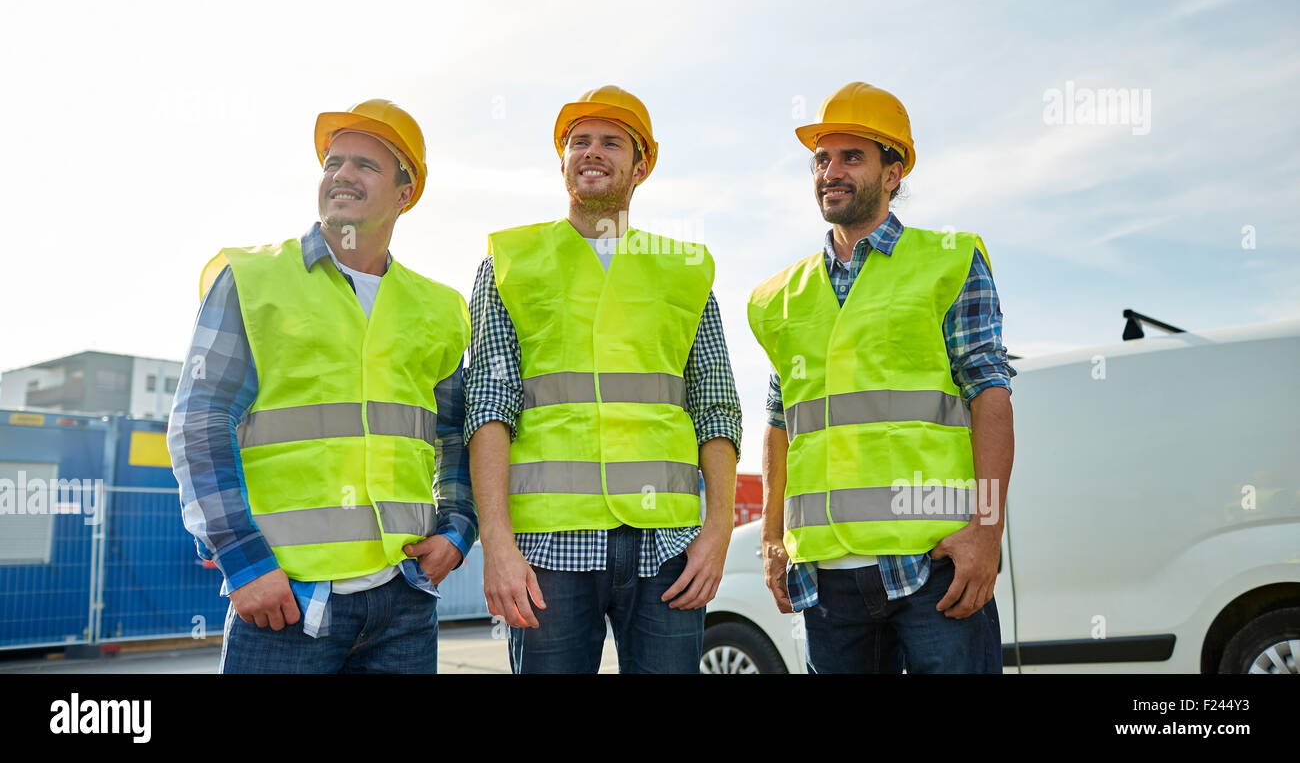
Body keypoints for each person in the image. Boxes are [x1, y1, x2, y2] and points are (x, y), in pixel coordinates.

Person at [166, 99, 476, 673]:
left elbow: (457, 433)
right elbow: (198, 421)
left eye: (365, 165)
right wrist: (244, 562)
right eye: (333, 162)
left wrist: (457, 530)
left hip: (404, 602)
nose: (341, 175)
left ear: (405, 192)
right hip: (285, 603)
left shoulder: (440, 308)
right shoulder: (253, 280)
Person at [464, 85, 742, 674]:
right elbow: (489, 406)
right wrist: (497, 545)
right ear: (562, 161)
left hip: (667, 547)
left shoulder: (685, 272)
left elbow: (716, 408)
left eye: (611, 142)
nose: (592, 152)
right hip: (547, 552)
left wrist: (718, 530)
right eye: (578, 142)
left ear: (640, 165)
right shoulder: (509, 263)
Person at [747, 81, 1014, 674]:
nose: (831, 171)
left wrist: (986, 532)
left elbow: (990, 395)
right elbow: (779, 421)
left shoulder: (949, 259)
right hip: (827, 580)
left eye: (851, 157)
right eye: (822, 158)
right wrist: (772, 536)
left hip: (933, 566)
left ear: (893, 173)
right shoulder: (777, 297)